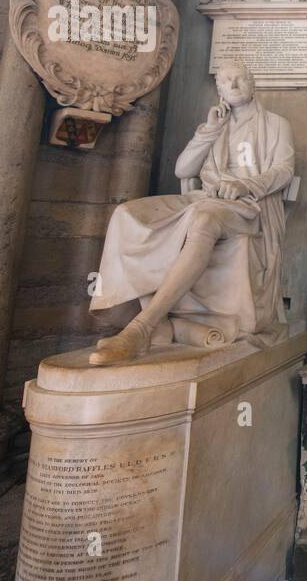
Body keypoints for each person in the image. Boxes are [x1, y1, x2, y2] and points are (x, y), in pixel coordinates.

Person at [88, 61, 294, 363]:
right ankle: (144, 316)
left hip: (248, 207)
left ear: (252, 84)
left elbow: (284, 170)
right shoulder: (215, 126)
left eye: (240, 79)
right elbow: (183, 168)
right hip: (205, 197)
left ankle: (142, 329)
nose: (234, 85)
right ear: (219, 90)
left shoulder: (276, 125)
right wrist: (210, 131)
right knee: (128, 214)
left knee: (205, 219)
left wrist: (245, 185)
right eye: (227, 81)